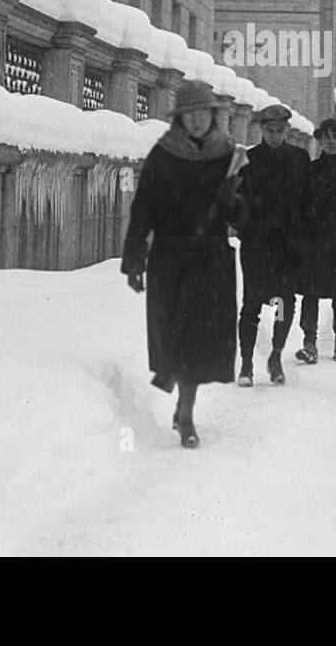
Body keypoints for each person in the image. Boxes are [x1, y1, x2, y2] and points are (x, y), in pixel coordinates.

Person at [120, 81, 245, 449]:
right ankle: (176, 390)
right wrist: (134, 258)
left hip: (211, 261)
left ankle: (186, 412)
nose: (195, 120)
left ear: (213, 115)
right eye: (189, 114)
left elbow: (246, 216)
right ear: (179, 118)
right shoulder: (163, 155)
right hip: (170, 261)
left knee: (198, 341)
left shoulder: (230, 156)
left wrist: (232, 202)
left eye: (202, 113)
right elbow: (143, 208)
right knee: (171, 334)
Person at [236, 104, 311, 387]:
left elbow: (307, 201)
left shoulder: (299, 159)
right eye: (270, 131)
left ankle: (276, 354)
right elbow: (233, 198)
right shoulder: (245, 159)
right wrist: (244, 228)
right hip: (256, 246)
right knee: (252, 303)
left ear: (287, 131)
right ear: (261, 130)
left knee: (283, 303)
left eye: (280, 131)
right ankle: (246, 364)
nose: (275, 136)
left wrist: (303, 237)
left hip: (287, 248)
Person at [295, 117, 336, 365]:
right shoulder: (310, 170)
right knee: (310, 292)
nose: (330, 141)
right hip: (315, 242)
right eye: (326, 137)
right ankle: (309, 342)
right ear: (319, 140)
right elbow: (301, 205)